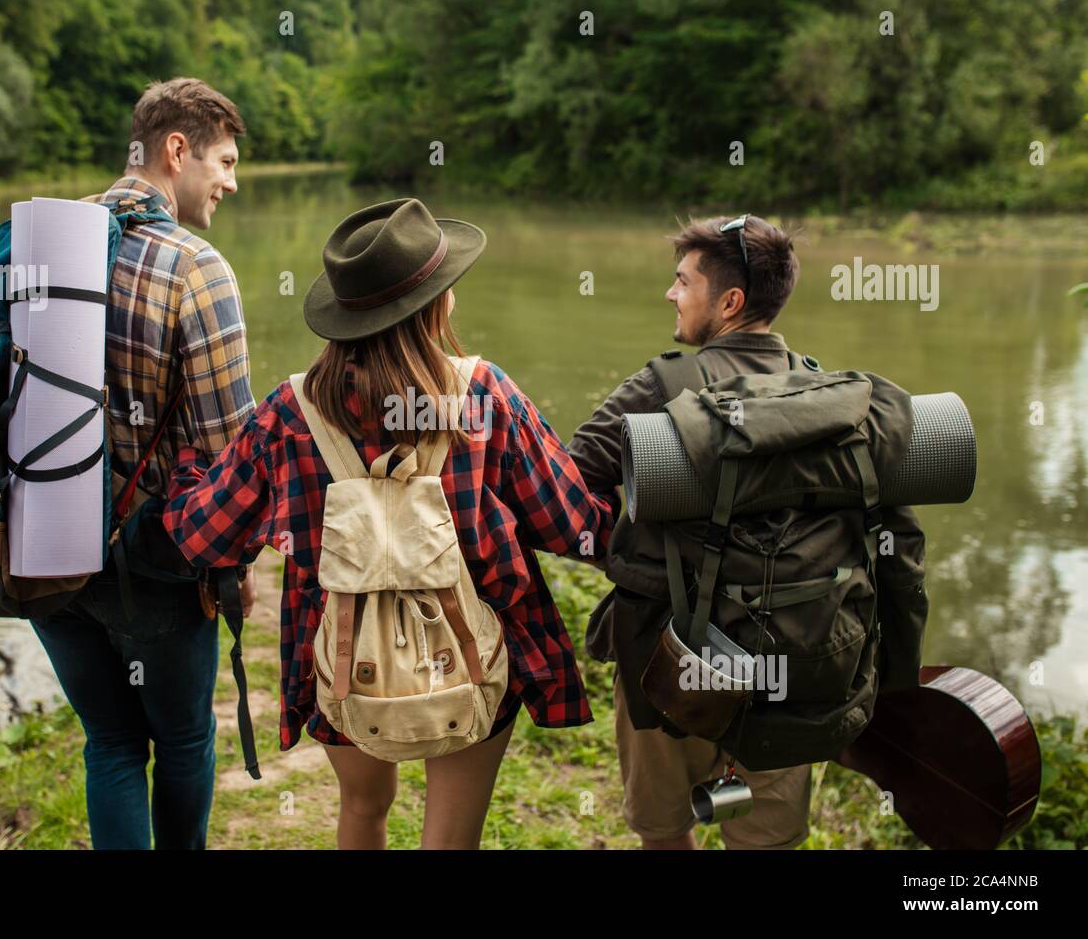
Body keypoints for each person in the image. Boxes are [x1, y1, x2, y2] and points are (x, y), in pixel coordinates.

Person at [162, 197, 614, 849]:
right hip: (473, 657)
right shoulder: (485, 395)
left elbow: (201, 536)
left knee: (363, 810)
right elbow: (574, 528)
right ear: (435, 303)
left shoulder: (289, 412)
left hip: (344, 666)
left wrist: (181, 468)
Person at [568, 214, 929, 850]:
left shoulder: (663, 387)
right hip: (800, 665)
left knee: (665, 833)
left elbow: (567, 489)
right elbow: (898, 553)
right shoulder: (841, 400)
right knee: (768, 842)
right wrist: (894, 681)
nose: (670, 294)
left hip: (669, 663)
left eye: (683, 282)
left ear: (729, 302)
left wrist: (625, 558)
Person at [28, 78, 257, 849]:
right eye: (223, 161)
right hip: (153, 564)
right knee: (185, 742)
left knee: (112, 743)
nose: (231, 180)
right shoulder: (197, 267)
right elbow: (232, 447)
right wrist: (240, 568)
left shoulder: (40, 241)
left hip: (40, 550)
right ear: (176, 149)